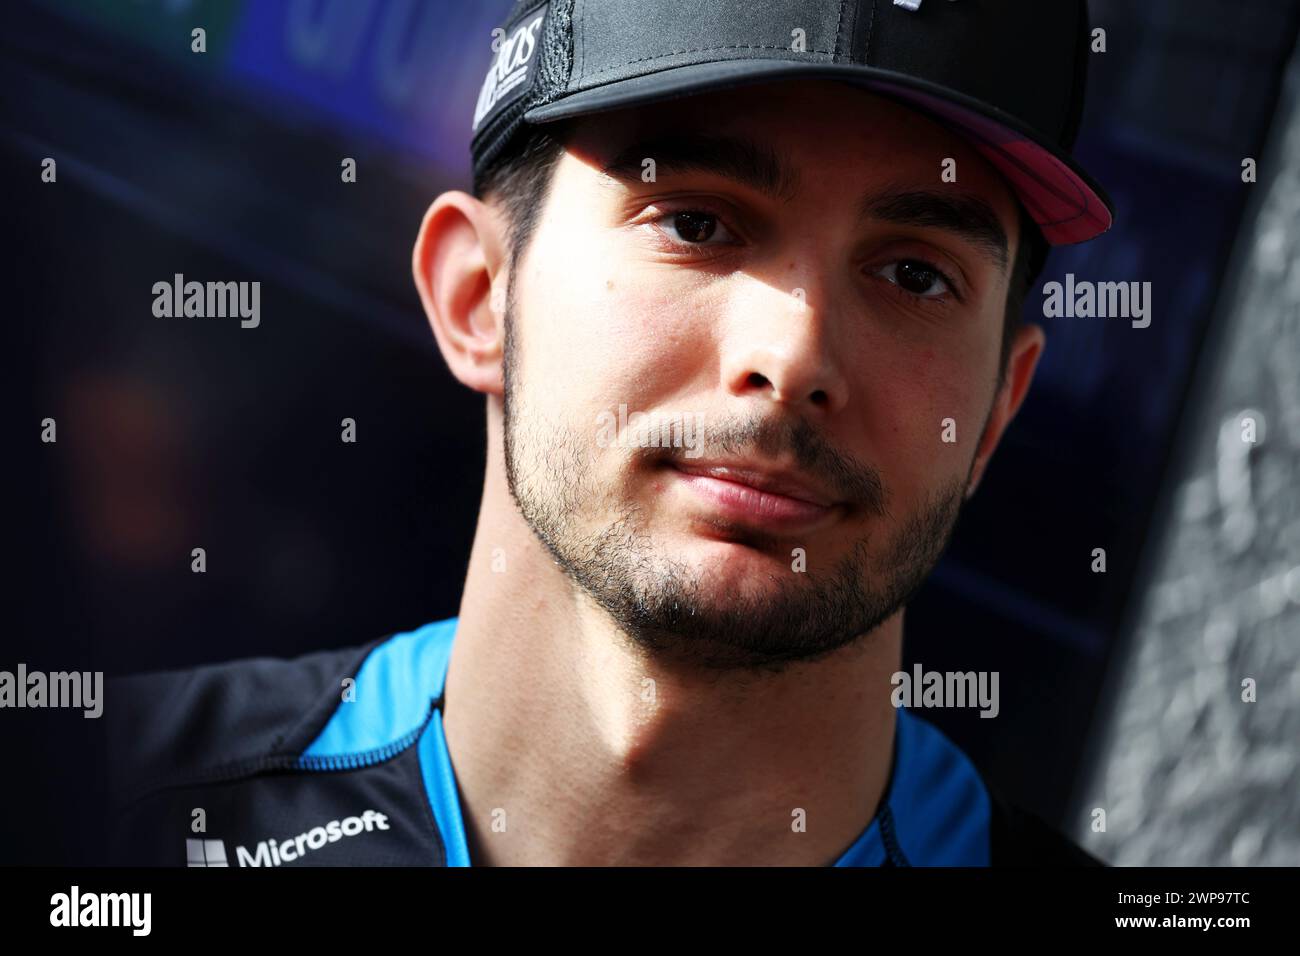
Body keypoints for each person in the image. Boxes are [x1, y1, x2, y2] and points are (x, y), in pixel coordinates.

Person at [105, 0, 1113, 867]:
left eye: (914, 274)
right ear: (477, 296)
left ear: (993, 410)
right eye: (696, 223)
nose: (795, 352)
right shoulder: (84, 816)